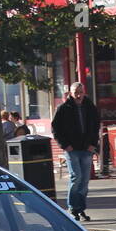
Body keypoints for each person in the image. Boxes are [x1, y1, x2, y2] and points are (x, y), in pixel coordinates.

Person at [50, 81, 100, 222]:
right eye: (75, 92)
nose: (78, 95)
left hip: (86, 148)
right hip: (72, 149)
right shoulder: (63, 108)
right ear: (70, 93)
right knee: (76, 177)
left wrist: (93, 144)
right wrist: (65, 145)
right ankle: (72, 208)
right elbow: (55, 128)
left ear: (84, 92)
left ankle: (81, 209)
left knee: (84, 180)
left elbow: (96, 126)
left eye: (80, 92)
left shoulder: (90, 107)